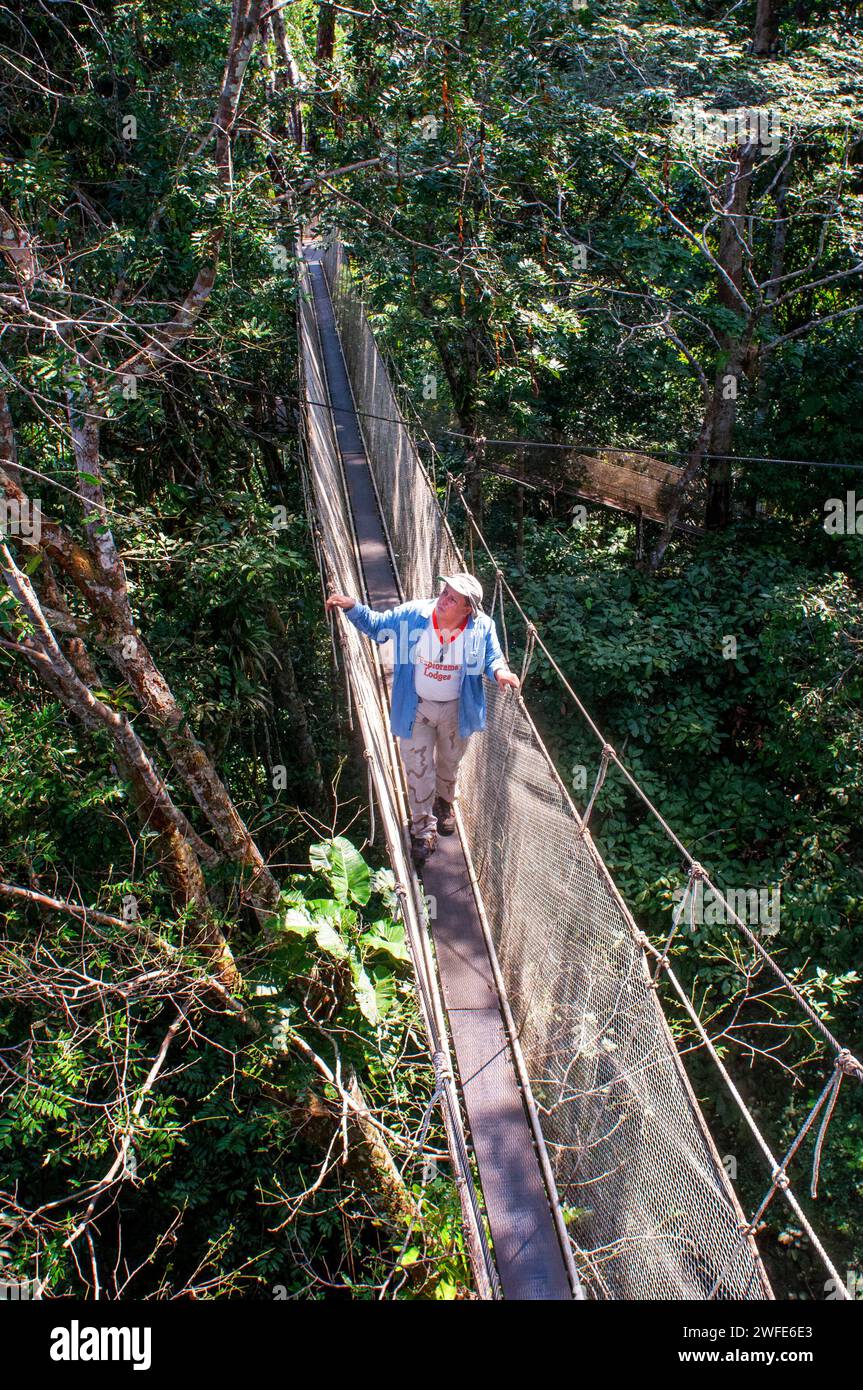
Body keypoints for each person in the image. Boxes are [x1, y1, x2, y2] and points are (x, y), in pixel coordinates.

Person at [325, 574, 520, 866]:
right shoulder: (415, 616)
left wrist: (500, 674)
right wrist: (353, 607)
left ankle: (444, 801)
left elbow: (493, 658)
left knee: (449, 761)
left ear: (468, 609)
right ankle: (423, 830)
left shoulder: (481, 628)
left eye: (452, 598)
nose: (443, 599)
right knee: (418, 769)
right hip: (416, 707)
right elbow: (378, 626)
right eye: (444, 592)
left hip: (457, 710)